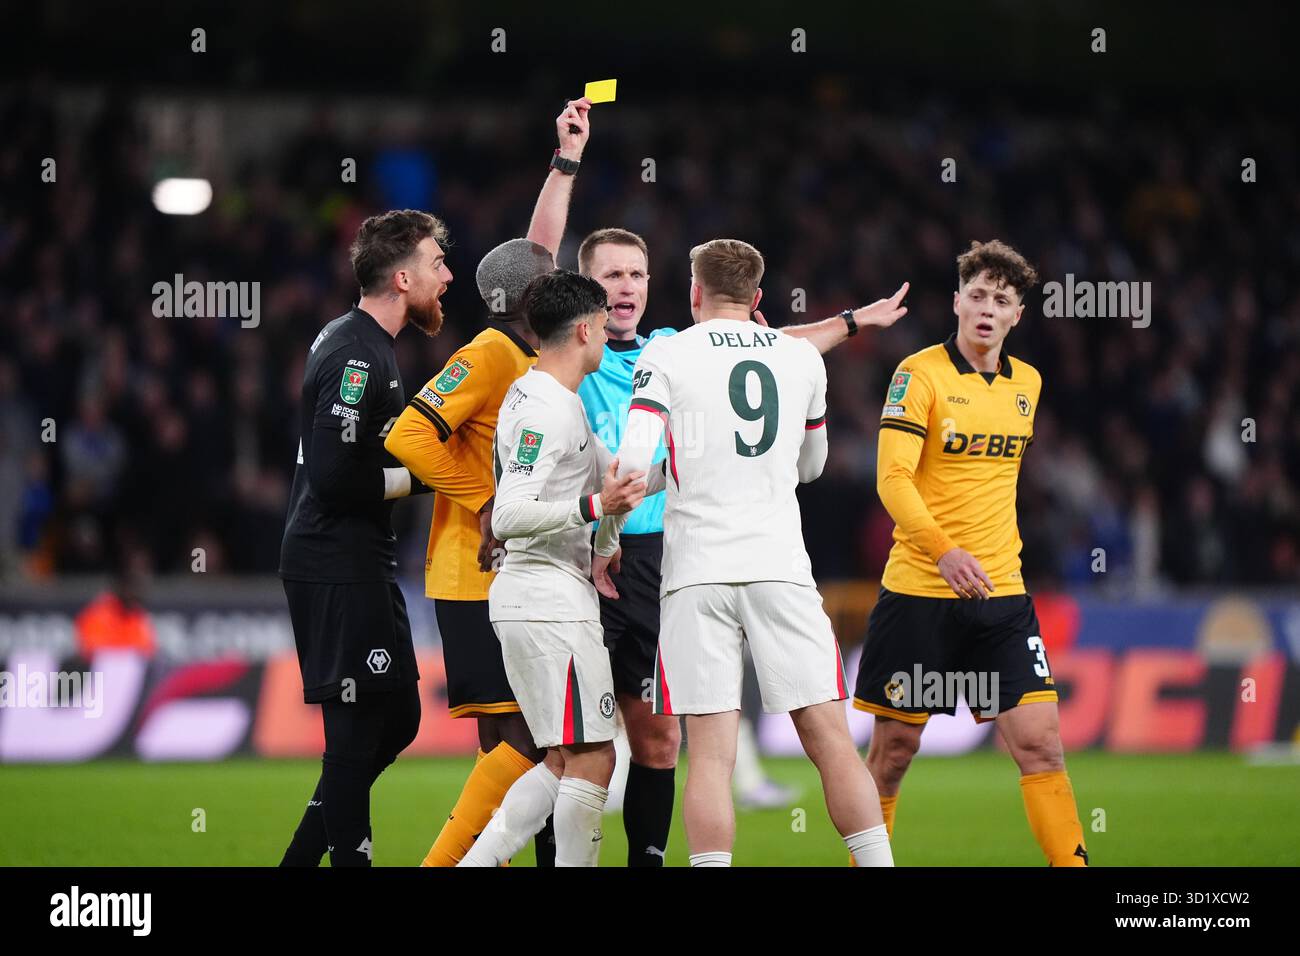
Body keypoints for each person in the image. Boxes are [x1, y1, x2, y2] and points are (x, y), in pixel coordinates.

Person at [573, 226, 907, 863]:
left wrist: (607, 540)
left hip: (695, 572)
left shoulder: (665, 357)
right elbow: (813, 465)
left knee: (712, 756)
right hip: (781, 567)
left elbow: (636, 466)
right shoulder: (800, 358)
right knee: (832, 741)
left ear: (693, 292)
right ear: (756, 296)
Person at [383, 98, 593, 866]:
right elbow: (407, 433)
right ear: (534, 299)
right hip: (474, 575)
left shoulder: (526, 356)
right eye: (556, 279)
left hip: (496, 572)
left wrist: (565, 160)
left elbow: (535, 248)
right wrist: (486, 503)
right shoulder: (489, 356)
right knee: (533, 742)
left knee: (524, 744)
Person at [853, 239, 1088, 866]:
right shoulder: (918, 374)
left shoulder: (1028, 385)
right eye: (977, 295)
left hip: (1002, 596)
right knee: (894, 755)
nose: (987, 308)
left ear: (1017, 317)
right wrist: (944, 551)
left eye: (1002, 300)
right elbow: (893, 479)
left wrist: (980, 554)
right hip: (921, 593)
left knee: (1040, 746)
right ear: (957, 302)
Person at [458, 269, 658, 866]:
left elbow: (616, 476)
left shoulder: (549, 396)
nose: (606, 336)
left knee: (562, 759)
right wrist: (598, 509)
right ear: (582, 330)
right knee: (596, 757)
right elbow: (510, 515)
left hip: (544, 598)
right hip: (546, 604)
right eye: (601, 327)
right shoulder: (545, 408)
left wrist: (605, 542)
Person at [278, 209, 448, 866]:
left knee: (398, 717)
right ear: (403, 278)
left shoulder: (359, 340)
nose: (447, 276)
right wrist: (424, 477)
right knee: (353, 735)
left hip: (355, 563)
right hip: (336, 563)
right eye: (437, 264)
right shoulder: (357, 355)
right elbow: (332, 476)